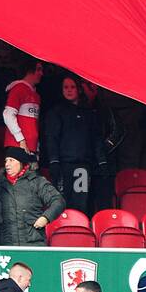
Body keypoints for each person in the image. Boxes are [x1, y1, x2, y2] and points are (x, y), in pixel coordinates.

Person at [41, 75, 106, 217]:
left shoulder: (88, 113)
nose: (69, 90)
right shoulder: (56, 112)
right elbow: (52, 138)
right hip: (63, 166)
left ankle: (78, 233)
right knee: (62, 201)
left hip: (82, 167)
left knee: (80, 202)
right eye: (65, 87)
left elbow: (96, 138)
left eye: (72, 87)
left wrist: (101, 160)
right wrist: (54, 161)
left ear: (79, 90)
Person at [0, 146, 64, 245]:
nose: (7, 164)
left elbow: (58, 201)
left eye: (11, 160)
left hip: (33, 243)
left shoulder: (37, 182)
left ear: (21, 163)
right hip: (7, 244)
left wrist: (46, 217)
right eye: (6, 161)